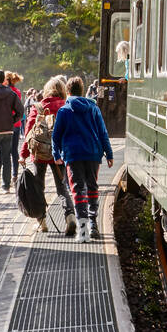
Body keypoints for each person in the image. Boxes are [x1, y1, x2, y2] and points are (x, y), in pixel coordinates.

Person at [52, 76, 113, 241]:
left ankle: (84, 230)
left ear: (68, 91)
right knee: (92, 187)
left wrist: (56, 154)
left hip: (73, 155)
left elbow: (56, 136)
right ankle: (94, 224)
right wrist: (109, 153)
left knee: (78, 190)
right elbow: (102, 133)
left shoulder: (64, 111)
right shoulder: (94, 109)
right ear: (82, 89)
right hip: (93, 153)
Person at [21, 77, 77, 237]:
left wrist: (23, 154)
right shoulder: (66, 107)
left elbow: (29, 133)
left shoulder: (38, 107)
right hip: (59, 153)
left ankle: (42, 222)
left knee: (39, 187)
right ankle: (70, 217)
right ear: (62, 90)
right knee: (62, 187)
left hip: (39, 154)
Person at [5, 71, 24, 188]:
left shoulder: (6, 92)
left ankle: (4, 178)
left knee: (4, 151)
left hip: (6, 124)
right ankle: (15, 175)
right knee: (14, 151)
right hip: (16, 124)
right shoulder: (17, 92)